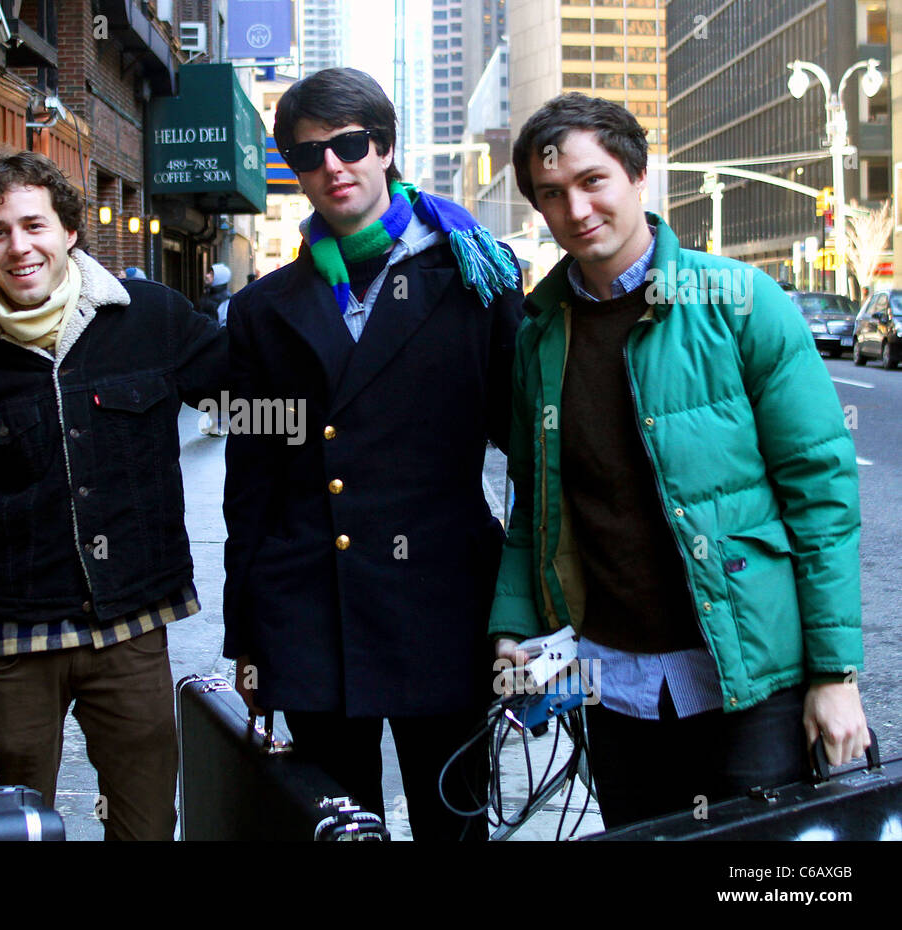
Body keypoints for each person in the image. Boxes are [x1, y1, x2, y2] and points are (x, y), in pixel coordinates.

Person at [490, 93, 871, 829]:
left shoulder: (741, 301)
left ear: (637, 175)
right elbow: (534, 508)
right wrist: (513, 628)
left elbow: (822, 498)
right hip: (616, 684)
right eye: (552, 195)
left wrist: (835, 674)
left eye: (593, 180)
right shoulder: (539, 337)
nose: (576, 208)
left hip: (753, 677)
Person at [222, 67, 524, 840]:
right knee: (335, 830)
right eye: (307, 153)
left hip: (443, 609)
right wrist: (249, 641)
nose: (332, 165)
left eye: (350, 144)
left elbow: (529, 450)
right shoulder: (262, 309)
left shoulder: (474, 277)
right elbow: (250, 483)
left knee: (454, 827)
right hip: (312, 613)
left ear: (385, 148)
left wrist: (528, 612)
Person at [0, 151, 225, 841]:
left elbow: (249, 390)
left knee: (145, 824)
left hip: (132, 628)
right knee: (12, 831)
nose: (19, 246)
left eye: (34, 225)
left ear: (69, 231)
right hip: (10, 644)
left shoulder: (150, 318)